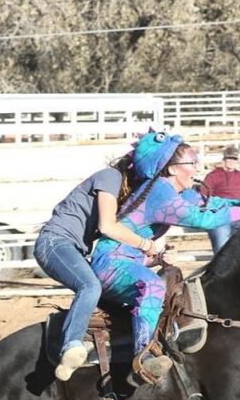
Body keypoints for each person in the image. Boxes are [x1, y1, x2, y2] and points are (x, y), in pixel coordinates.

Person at [91, 131, 240, 387]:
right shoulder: (161, 193)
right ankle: (142, 358)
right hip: (112, 262)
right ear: (174, 169)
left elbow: (209, 203)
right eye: (192, 163)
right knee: (153, 287)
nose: (197, 168)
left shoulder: (175, 190)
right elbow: (202, 219)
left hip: (130, 259)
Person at [34, 152, 159, 382]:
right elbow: (108, 227)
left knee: (106, 292)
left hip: (71, 248)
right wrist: (146, 245)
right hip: (55, 242)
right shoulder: (110, 177)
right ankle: (71, 345)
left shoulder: (114, 187)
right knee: (90, 286)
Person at [200, 145, 240, 253]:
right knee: (221, 250)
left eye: (234, 159)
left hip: (238, 216)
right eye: (229, 159)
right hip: (221, 216)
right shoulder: (213, 175)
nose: (232, 162)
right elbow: (204, 193)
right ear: (224, 160)